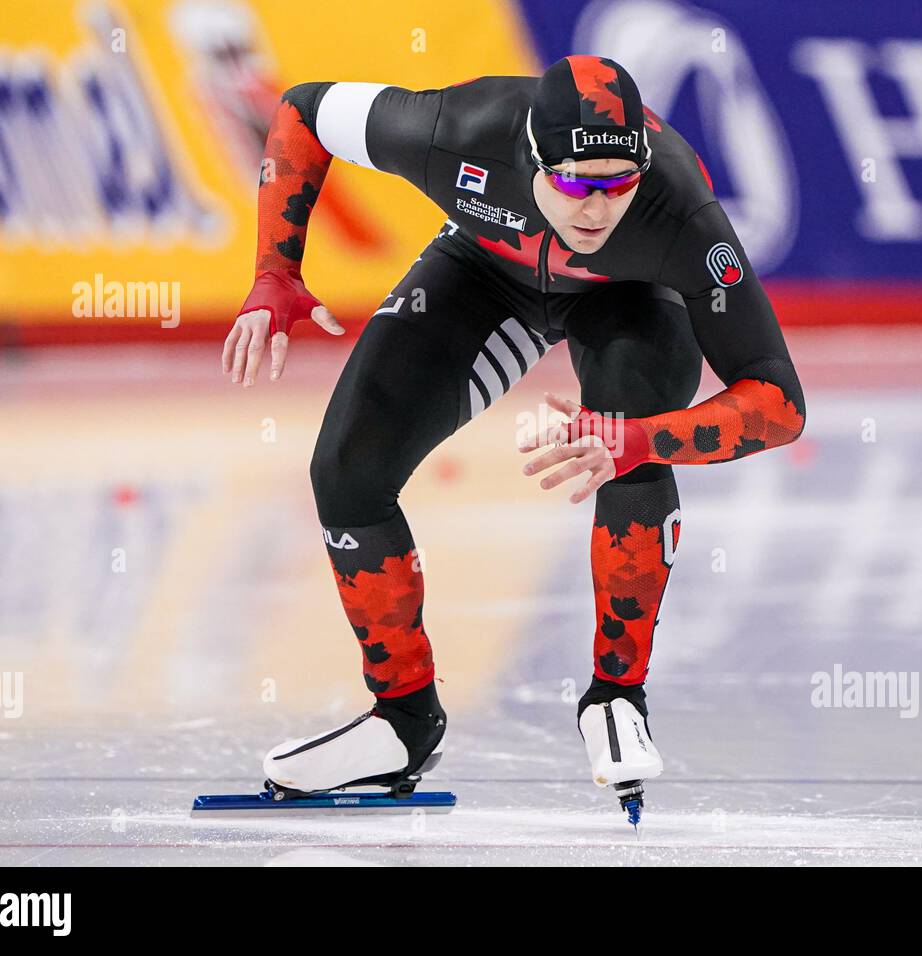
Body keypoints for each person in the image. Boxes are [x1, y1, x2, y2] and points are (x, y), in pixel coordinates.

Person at [221, 55, 805, 811]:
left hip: (627, 300)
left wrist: (643, 440)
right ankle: (402, 721)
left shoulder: (679, 213)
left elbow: (779, 402)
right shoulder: (453, 132)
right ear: (530, 158)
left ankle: (617, 696)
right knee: (345, 470)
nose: (596, 210)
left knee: (627, 424)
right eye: (574, 184)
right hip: (482, 271)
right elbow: (302, 109)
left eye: (617, 184)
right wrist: (276, 268)